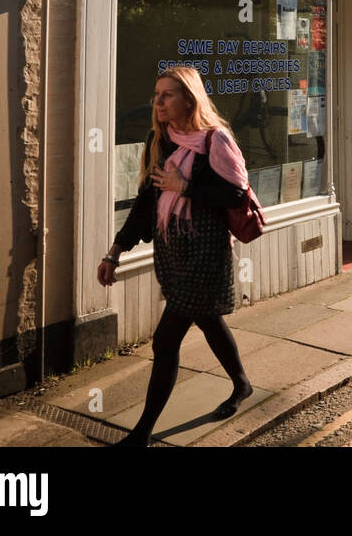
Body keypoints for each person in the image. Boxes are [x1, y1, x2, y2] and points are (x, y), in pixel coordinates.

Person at [97, 65, 254, 446]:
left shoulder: (216, 141)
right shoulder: (162, 139)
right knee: (210, 321)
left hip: (206, 253)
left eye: (167, 94)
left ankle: (141, 434)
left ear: (189, 98)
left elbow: (237, 195)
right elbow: (147, 201)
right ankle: (242, 385)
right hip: (173, 252)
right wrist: (116, 250)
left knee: (165, 341)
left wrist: (184, 187)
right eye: (156, 94)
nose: (158, 102)